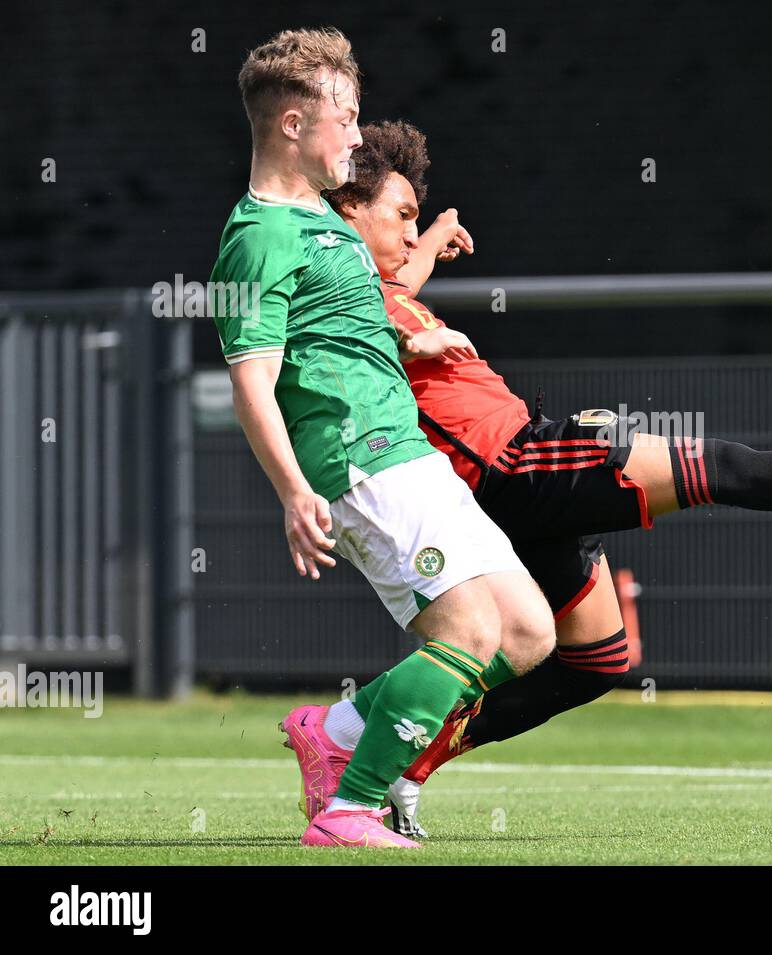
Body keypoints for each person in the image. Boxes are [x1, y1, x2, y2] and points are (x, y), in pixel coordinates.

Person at [320, 119, 772, 837]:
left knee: (596, 659)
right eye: (401, 216)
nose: (410, 235)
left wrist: (428, 241)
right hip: (519, 461)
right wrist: (412, 335)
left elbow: (394, 281)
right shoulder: (340, 283)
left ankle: (404, 761)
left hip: (512, 492)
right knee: (730, 468)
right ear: (348, 212)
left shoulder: (382, 278)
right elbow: (342, 316)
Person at [209, 31, 554, 849]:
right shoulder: (256, 235)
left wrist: (412, 326)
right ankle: (349, 809)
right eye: (347, 119)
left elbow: (358, 310)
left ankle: (333, 729)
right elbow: (252, 380)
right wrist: (295, 489)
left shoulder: (318, 223)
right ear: (293, 124)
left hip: (409, 450)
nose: (358, 138)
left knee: (529, 630)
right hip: (359, 459)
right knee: (468, 629)